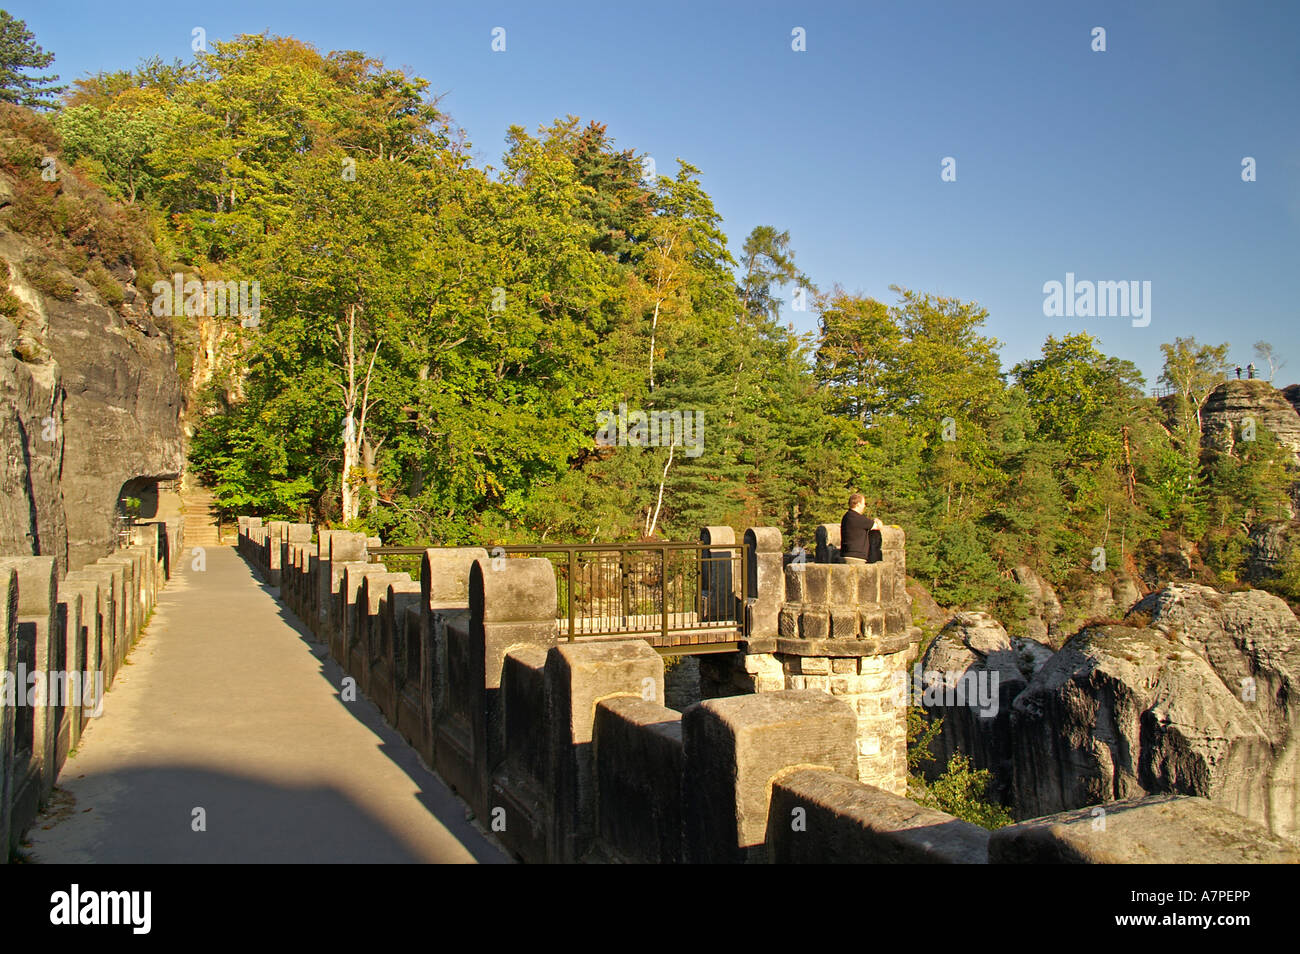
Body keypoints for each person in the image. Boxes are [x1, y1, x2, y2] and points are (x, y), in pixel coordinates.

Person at [840, 493, 883, 564]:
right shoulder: (858, 519)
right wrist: (877, 520)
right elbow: (879, 526)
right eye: (863, 503)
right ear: (858, 504)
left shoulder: (846, 516)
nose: (864, 506)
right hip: (857, 557)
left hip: (845, 554)